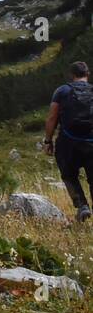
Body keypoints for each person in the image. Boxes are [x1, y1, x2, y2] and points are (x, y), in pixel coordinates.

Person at [44, 60, 93, 222]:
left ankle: (82, 205)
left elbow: (52, 117)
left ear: (71, 75)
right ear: (88, 74)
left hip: (68, 141)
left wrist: (48, 141)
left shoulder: (62, 91)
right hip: (91, 141)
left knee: (69, 174)